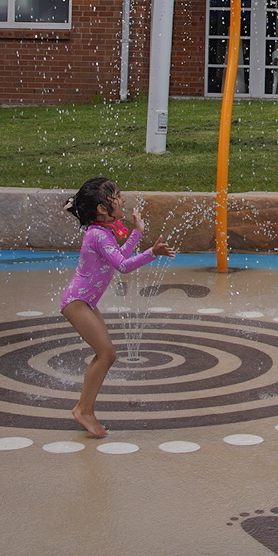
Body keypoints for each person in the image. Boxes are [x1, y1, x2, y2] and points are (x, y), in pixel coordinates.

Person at [60, 176, 172, 437]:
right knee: (106, 353)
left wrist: (137, 233)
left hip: (85, 302)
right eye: (117, 195)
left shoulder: (102, 232)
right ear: (102, 209)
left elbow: (118, 258)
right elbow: (122, 266)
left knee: (107, 354)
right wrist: (152, 252)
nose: (122, 199)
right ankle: (83, 409)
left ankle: (84, 408)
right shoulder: (98, 235)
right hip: (77, 303)